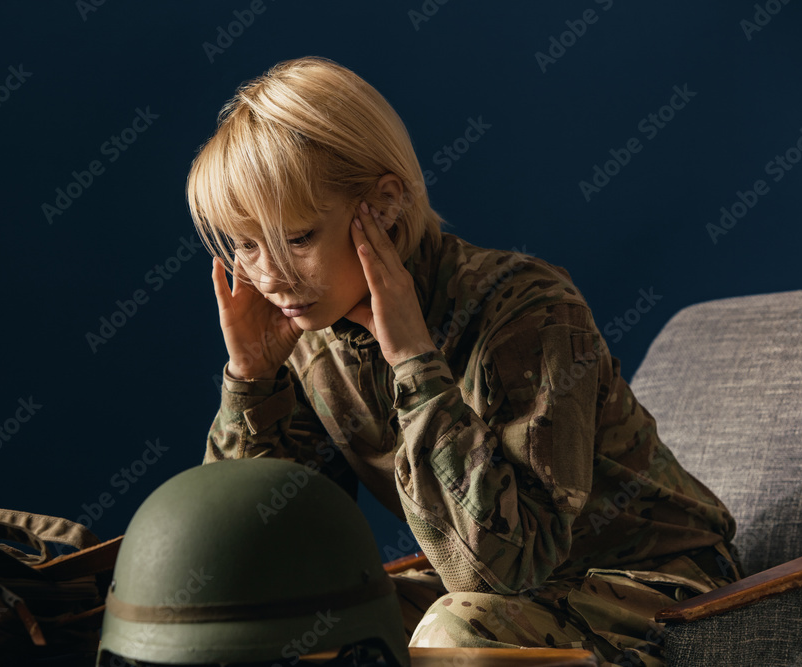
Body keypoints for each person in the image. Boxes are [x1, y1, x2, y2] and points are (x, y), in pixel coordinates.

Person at [187, 56, 738, 666]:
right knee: (278, 629)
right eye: (246, 245)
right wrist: (252, 382)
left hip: (667, 591)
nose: (270, 276)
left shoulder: (527, 309)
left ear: (385, 203)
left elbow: (504, 568)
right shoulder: (311, 334)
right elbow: (246, 571)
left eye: (297, 238)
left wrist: (414, 364)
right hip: (507, 600)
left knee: (455, 631)